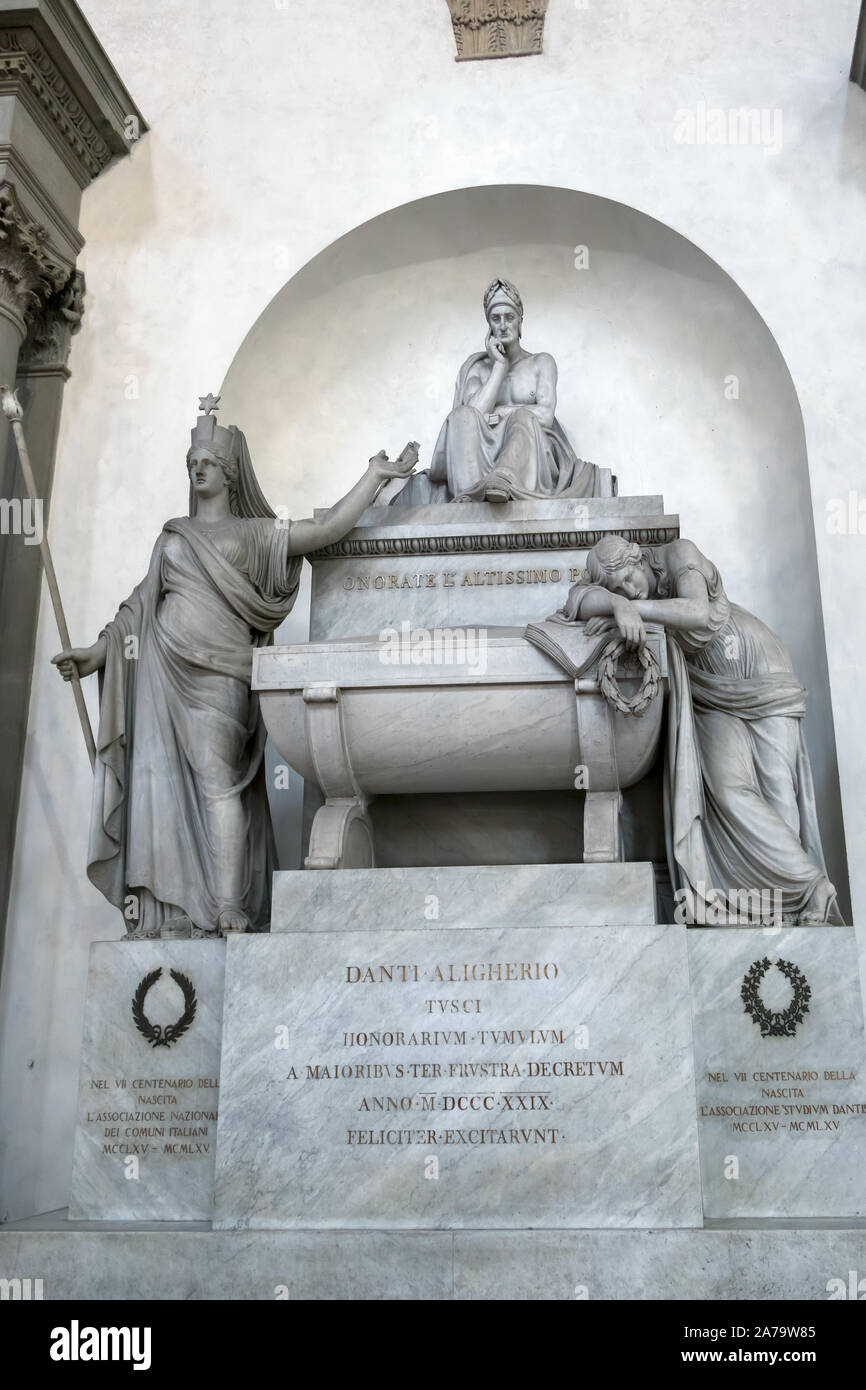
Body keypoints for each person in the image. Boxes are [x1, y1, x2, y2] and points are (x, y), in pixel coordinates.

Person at [53, 396, 417, 938]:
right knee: (161, 783)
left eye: (208, 462)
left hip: (220, 676)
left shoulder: (253, 535)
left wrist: (372, 476)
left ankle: (229, 904)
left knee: (219, 783)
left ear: (228, 473)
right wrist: (96, 653)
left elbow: (325, 532)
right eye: (193, 461)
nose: (198, 467)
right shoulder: (172, 536)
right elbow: (137, 610)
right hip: (160, 673)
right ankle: (171, 910)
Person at [549, 533, 841, 925]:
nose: (630, 592)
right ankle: (808, 884)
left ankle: (802, 905)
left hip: (757, 669)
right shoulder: (624, 596)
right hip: (706, 686)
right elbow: (576, 601)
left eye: (628, 581)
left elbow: (697, 612)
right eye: (619, 590)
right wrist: (618, 605)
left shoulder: (678, 554)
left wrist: (637, 610)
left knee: (777, 793)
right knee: (726, 787)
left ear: (637, 558)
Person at [393, 278, 603, 503]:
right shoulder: (477, 368)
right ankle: (469, 496)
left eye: (509, 317)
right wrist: (499, 366)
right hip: (481, 453)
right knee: (461, 415)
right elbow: (468, 418)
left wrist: (502, 413)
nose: (503, 325)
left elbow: (545, 416)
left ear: (520, 321)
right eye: (496, 318)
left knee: (523, 417)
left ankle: (504, 479)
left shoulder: (541, 363)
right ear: (489, 325)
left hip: (531, 452)